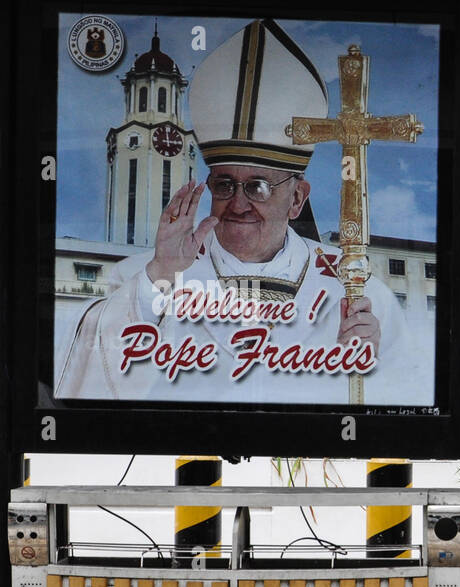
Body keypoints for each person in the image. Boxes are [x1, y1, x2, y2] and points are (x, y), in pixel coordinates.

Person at [56, 19, 420, 405]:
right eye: (224, 185)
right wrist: (157, 280)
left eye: (258, 187)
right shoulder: (150, 275)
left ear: (297, 199)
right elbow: (89, 370)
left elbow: (406, 400)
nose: (238, 204)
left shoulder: (357, 290)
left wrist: (368, 364)